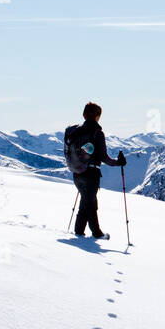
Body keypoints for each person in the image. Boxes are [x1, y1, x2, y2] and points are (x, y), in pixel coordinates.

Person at [67, 101, 126, 239]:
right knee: (91, 203)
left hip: (77, 173)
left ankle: (79, 231)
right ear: (97, 115)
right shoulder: (97, 133)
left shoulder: (76, 132)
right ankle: (96, 233)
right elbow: (103, 157)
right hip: (91, 174)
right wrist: (119, 162)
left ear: (84, 114)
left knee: (87, 201)